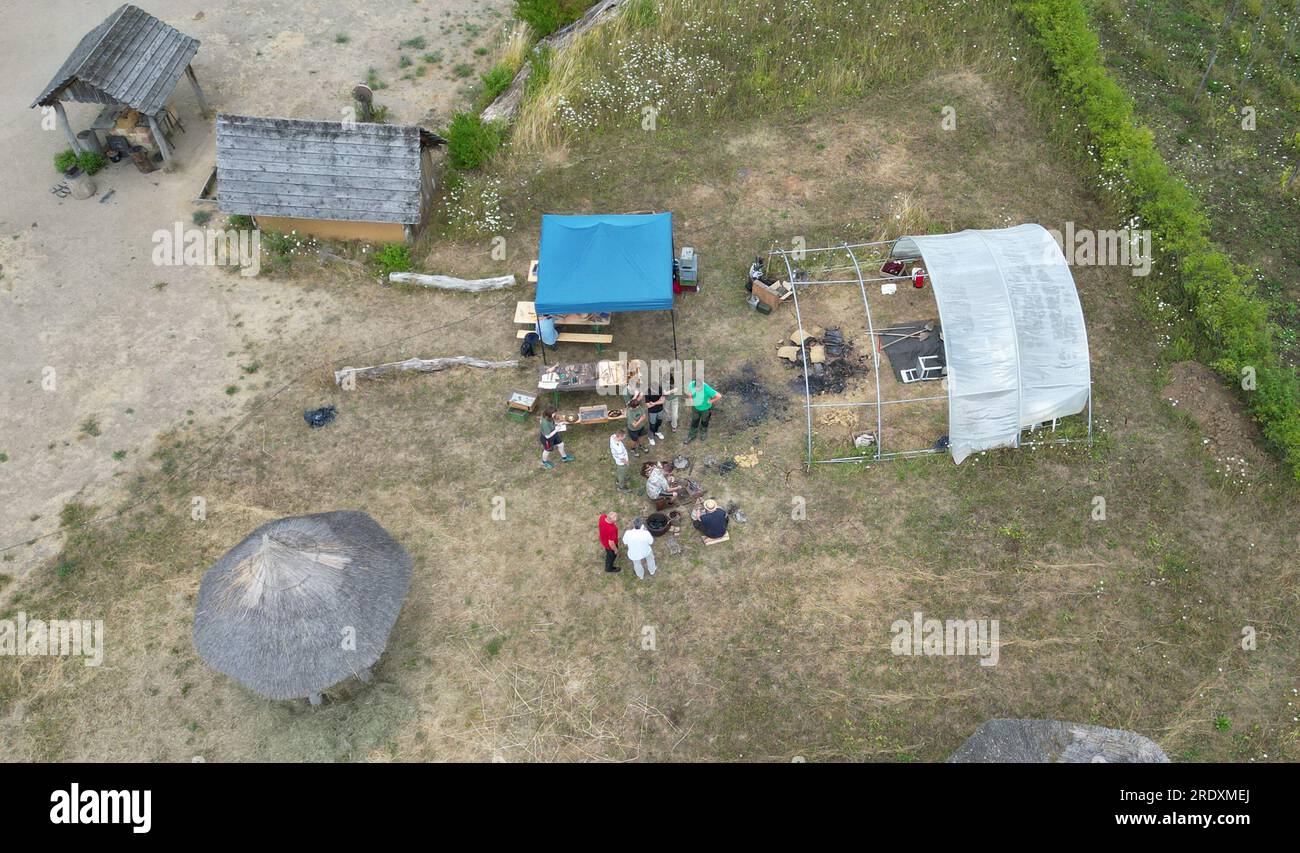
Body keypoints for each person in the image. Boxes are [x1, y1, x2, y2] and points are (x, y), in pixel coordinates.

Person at [684, 378, 722, 443]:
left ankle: (703, 432)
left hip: (706, 409)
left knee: (704, 421)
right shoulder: (691, 385)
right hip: (695, 408)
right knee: (694, 421)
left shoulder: (707, 389)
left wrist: (711, 401)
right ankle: (692, 435)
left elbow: (719, 396)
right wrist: (690, 398)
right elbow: (689, 392)